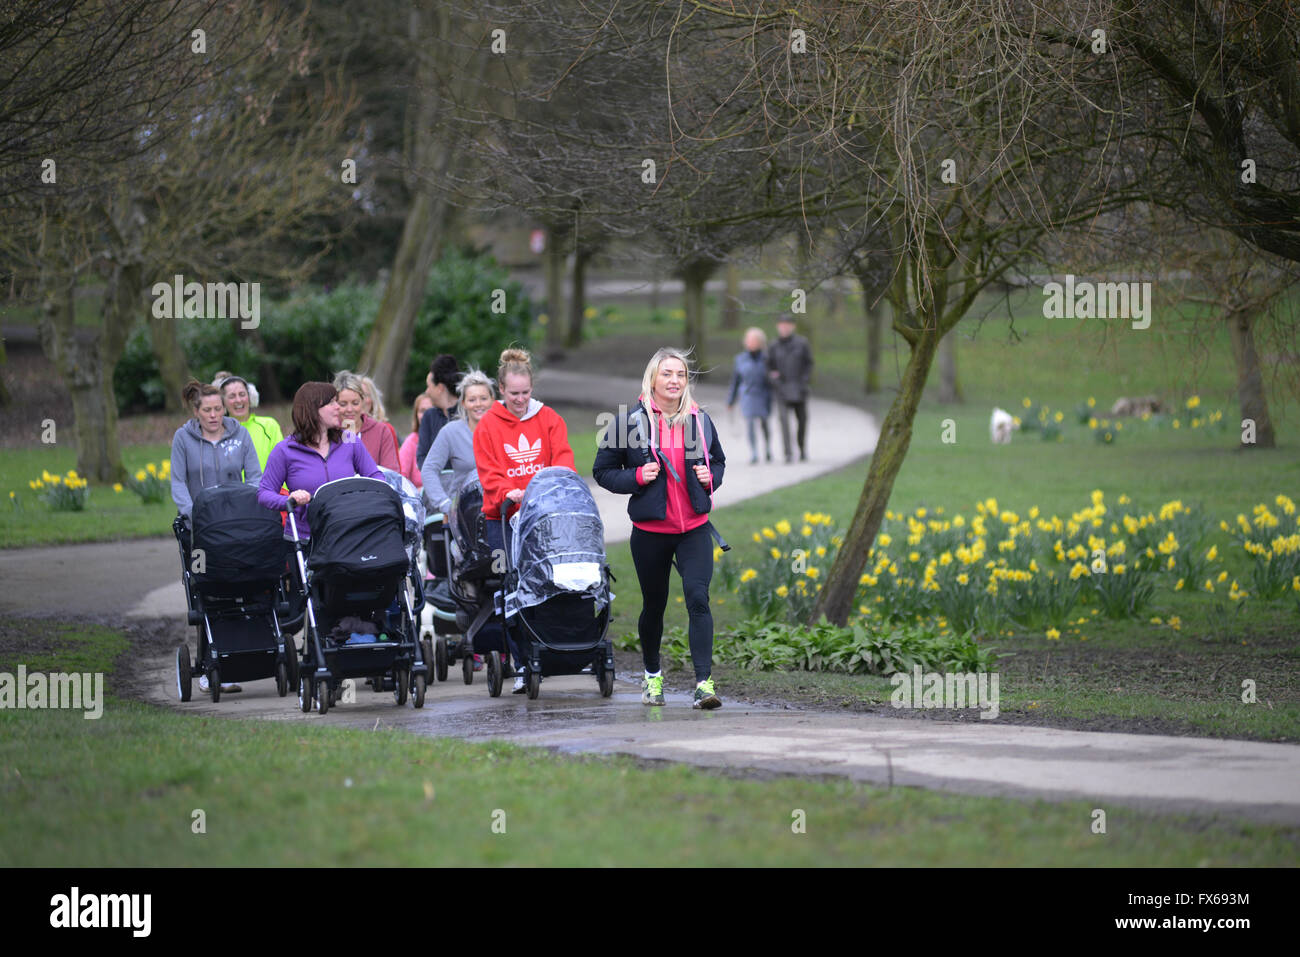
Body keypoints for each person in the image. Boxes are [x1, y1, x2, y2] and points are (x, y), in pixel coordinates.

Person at [593, 348, 726, 709]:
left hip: (694, 528)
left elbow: (718, 461)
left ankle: (703, 684)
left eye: (680, 374)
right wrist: (637, 476)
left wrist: (708, 476)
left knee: (698, 598)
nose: (674, 381)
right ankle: (652, 678)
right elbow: (602, 471)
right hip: (652, 531)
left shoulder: (699, 420)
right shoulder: (630, 422)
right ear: (653, 378)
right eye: (667, 374)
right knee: (655, 604)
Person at [473, 348, 575, 692]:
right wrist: (508, 492)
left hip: (543, 518)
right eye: (513, 394)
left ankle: (555, 647)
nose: (520, 400)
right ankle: (519, 660)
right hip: (504, 519)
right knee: (511, 586)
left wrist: (551, 487)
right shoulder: (488, 425)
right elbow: (490, 474)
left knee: (551, 582)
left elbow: (562, 460)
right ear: (501, 390)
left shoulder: (549, 420)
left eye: (526, 393)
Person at [170, 379, 262, 695]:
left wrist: (247, 511)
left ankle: (247, 652)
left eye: (218, 408)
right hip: (202, 534)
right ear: (196, 411)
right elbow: (178, 483)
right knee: (207, 594)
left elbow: (255, 478)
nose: (214, 415)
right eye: (207, 410)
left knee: (241, 589)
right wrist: (194, 516)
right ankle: (210, 665)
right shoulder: (183, 439)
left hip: (236, 528)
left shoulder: (241, 435)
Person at [257, 382, 382, 542]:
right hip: (305, 539)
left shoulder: (350, 440)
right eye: (331, 403)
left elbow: (376, 477)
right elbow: (264, 493)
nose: (339, 407)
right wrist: (289, 501)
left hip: (348, 534)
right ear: (312, 409)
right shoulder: (285, 450)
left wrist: (361, 496)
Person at [421, 369, 494, 516]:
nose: (478, 404)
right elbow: (428, 470)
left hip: (499, 508)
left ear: (492, 400)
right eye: (472, 400)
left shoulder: (504, 430)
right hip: (465, 512)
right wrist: (445, 504)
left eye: (483, 398)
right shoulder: (451, 432)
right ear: (463, 403)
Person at [767, 314, 814, 462]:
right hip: (781, 390)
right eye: (782, 324)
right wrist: (774, 379)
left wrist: (804, 380)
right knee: (784, 422)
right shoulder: (773, 346)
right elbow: (768, 367)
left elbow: (809, 364)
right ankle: (787, 453)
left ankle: (802, 448)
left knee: (802, 421)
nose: (784, 327)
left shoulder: (802, 343)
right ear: (778, 326)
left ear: (793, 326)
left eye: (787, 324)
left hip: (799, 389)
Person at [332, 370, 399, 471]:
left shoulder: (381, 430)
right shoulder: (328, 431)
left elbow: (391, 472)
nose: (350, 410)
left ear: (363, 402)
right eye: (343, 404)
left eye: (355, 403)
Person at [726, 326, 773, 464]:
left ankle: (768, 448)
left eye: (754, 340)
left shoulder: (767, 358)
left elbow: (773, 378)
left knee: (764, 422)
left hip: (763, 394)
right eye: (748, 340)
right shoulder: (740, 359)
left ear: (760, 342)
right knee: (750, 423)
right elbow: (735, 380)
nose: (750, 342)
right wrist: (731, 400)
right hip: (747, 395)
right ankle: (754, 452)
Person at [216, 374, 283, 470]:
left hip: (268, 485)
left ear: (251, 397)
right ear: (223, 403)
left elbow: (282, 463)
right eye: (232, 396)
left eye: (242, 394)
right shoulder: (216, 432)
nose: (238, 400)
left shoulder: (269, 425)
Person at [417, 354, 462, 466]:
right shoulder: (429, 417)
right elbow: (422, 458)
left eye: (429, 386)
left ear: (440, 388)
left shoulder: (468, 413)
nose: (427, 392)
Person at [359, 373, 402, 458]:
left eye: (365, 395)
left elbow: (394, 468)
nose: (361, 400)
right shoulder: (345, 429)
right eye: (358, 395)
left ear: (373, 399)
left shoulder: (386, 429)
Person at [399, 393, 434, 488]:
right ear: (416, 415)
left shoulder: (446, 440)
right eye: (422, 411)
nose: (426, 415)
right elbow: (401, 479)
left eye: (430, 410)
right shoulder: (410, 442)